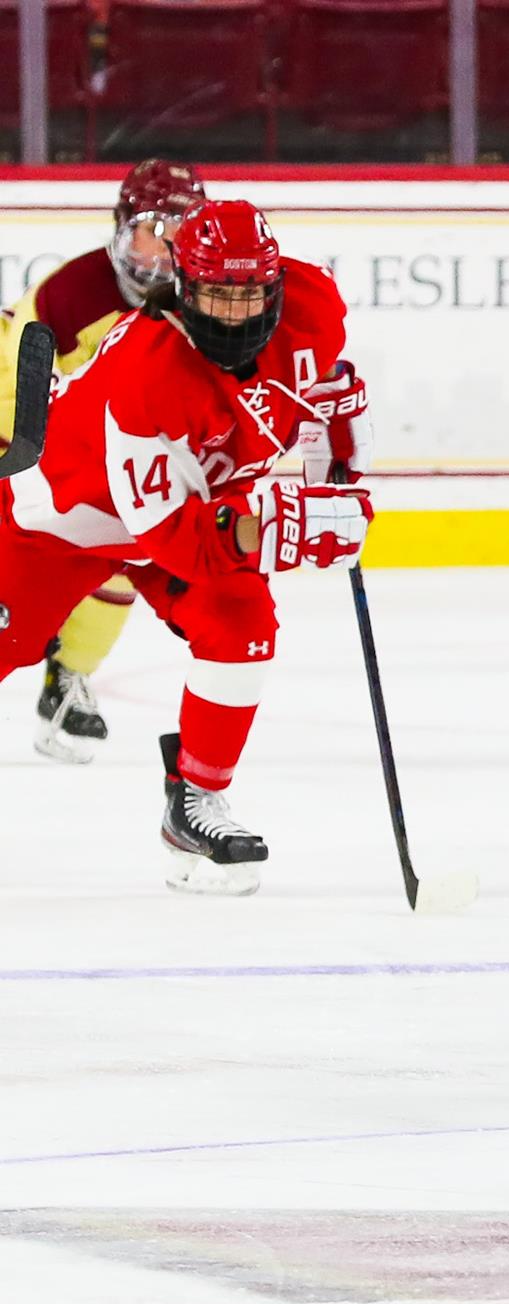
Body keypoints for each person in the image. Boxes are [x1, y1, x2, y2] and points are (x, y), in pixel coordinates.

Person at [0, 199, 376, 894]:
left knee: (242, 622)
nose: (235, 313)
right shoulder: (147, 371)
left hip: (184, 509)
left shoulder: (311, 303)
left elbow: (319, 377)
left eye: (249, 294)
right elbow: (171, 538)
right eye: (216, 295)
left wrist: (334, 433)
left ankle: (193, 804)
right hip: (62, 519)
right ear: (181, 285)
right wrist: (279, 528)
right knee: (9, 644)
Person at [0, 159, 207, 762]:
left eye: (182, 229)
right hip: (20, 434)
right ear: (121, 229)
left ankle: (67, 679)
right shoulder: (70, 296)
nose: (167, 248)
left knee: (122, 550)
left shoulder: (202, 299)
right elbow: (19, 388)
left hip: (100, 453)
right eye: (153, 228)